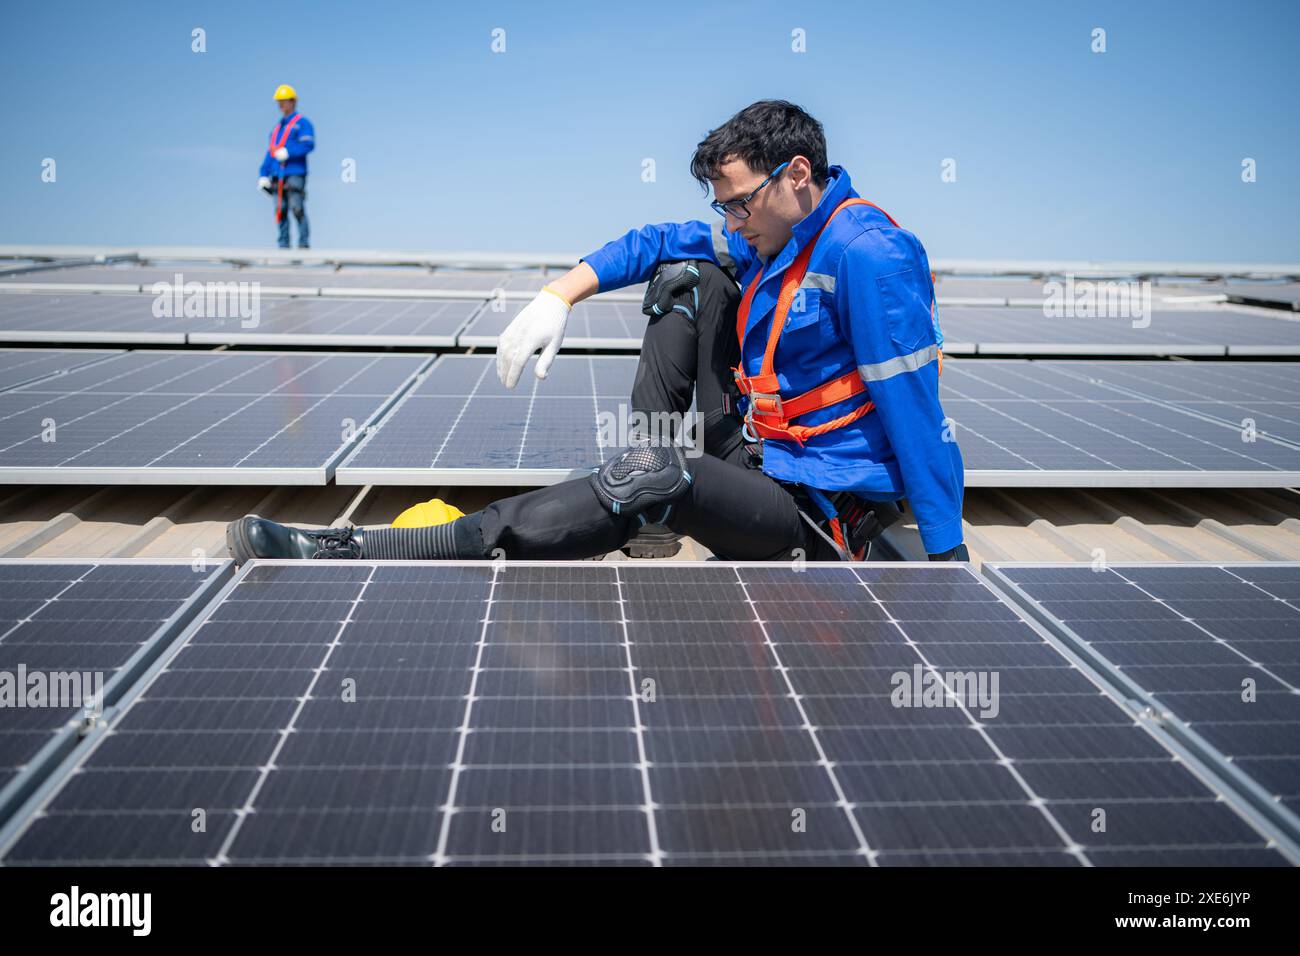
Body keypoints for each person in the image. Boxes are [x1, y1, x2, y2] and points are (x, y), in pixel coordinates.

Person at [227, 100, 967, 564]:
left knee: (657, 474)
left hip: (819, 508)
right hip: (763, 455)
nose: (731, 223)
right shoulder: (773, 237)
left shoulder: (868, 254)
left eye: (738, 204)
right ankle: (646, 491)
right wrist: (560, 293)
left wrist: (947, 558)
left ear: (796, 174)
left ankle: (362, 546)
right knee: (686, 275)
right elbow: (654, 240)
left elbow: (917, 414)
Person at [257, 84, 315, 249]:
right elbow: (271, 153)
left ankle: (303, 246)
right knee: (280, 210)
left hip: (295, 174)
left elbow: (308, 145)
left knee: (297, 208)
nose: (281, 105)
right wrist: (263, 174)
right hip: (277, 175)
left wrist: (289, 152)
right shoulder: (276, 129)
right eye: (279, 102)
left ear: (293, 102)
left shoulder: (302, 123)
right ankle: (283, 248)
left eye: (284, 101)